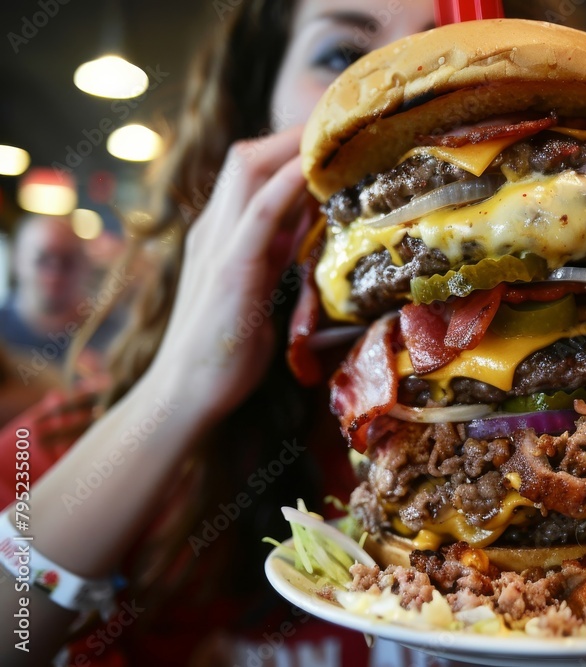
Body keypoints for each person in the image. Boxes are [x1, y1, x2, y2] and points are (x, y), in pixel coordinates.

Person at [0, 1, 436, 665]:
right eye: (343, 57)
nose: (408, 93)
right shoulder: (76, 442)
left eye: (450, 55)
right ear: (254, 114)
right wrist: (176, 391)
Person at [0, 214, 116, 381]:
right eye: (41, 259)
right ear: (18, 260)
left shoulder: (115, 334)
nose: (54, 273)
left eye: (67, 261)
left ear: (85, 265)